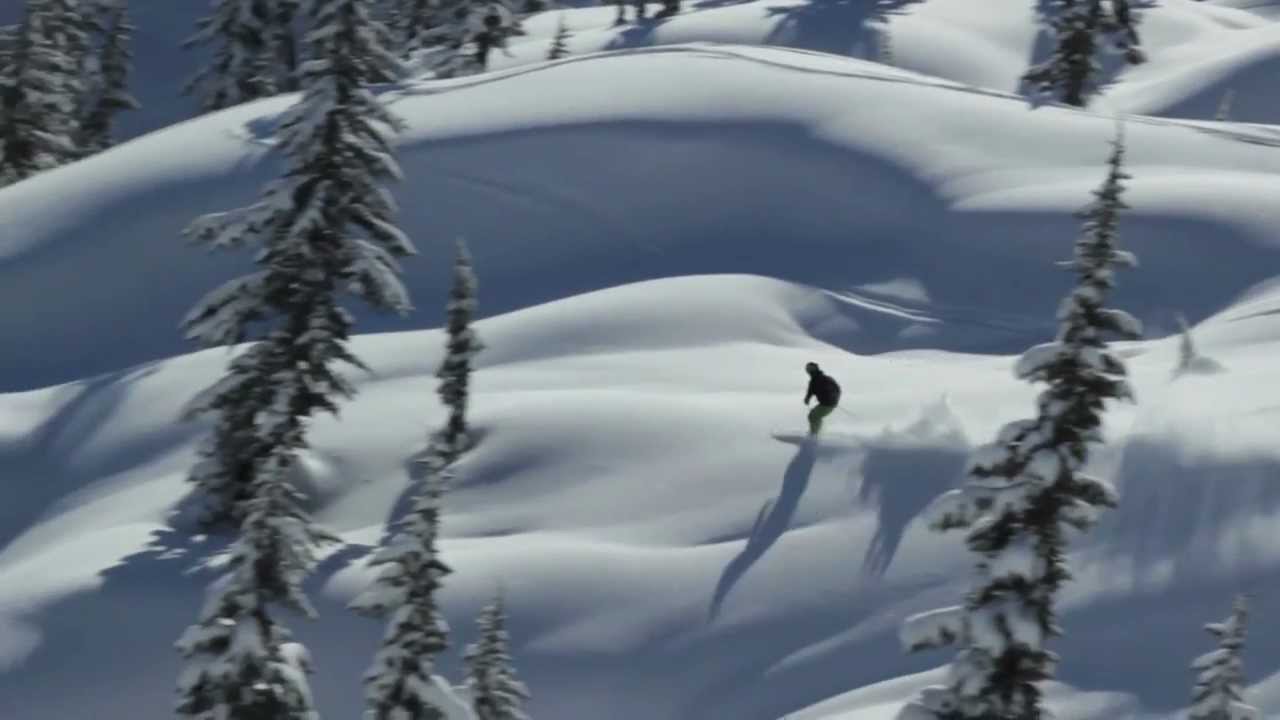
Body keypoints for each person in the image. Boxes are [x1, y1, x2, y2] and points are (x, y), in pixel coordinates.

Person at [803, 361, 841, 435]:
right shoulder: (821, 378)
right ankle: (818, 432)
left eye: (809, 369)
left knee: (813, 416)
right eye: (807, 368)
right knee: (815, 415)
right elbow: (811, 391)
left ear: (814, 369)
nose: (807, 370)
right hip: (829, 403)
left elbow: (836, 389)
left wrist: (831, 398)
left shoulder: (817, 379)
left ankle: (814, 435)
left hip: (827, 404)